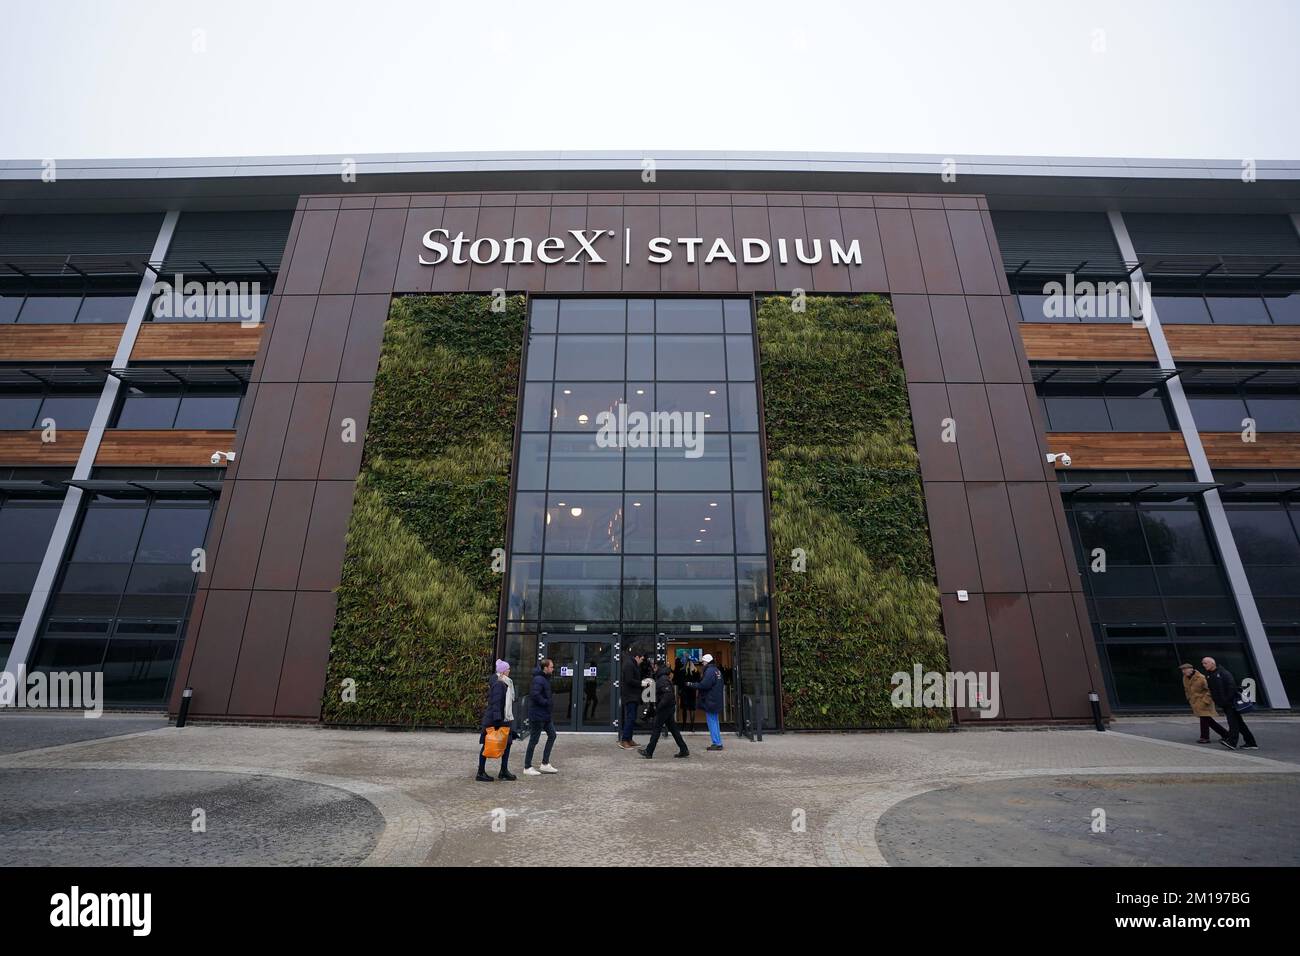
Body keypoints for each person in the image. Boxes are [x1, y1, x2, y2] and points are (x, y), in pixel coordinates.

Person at [1202, 656, 1259, 751]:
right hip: (1224, 703)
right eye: (1203, 663)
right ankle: (1251, 743)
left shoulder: (1223, 673)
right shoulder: (1209, 675)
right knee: (1240, 724)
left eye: (1205, 663)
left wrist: (1226, 700)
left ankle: (1232, 742)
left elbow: (1232, 687)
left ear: (1212, 663)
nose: (1204, 665)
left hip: (1230, 703)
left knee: (1233, 723)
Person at [639, 660, 690, 759]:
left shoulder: (662, 679)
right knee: (674, 730)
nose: (653, 668)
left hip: (664, 709)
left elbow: (668, 695)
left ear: (658, 667)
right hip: (668, 708)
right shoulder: (663, 677)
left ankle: (649, 751)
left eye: (654, 667)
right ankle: (684, 749)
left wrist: (659, 707)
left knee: (656, 729)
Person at [477, 659, 518, 781]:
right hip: (496, 720)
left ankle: (503, 770)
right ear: (503, 671)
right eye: (508, 669)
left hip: (502, 719)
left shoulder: (505, 682)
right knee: (487, 744)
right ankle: (481, 772)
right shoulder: (499, 684)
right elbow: (496, 702)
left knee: (507, 743)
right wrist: (497, 721)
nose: (509, 670)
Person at [524, 658, 559, 776]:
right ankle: (527, 766)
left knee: (552, 735)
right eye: (551, 667)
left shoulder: (544, 679)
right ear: (545, 668)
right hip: (538, 715)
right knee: (534, 740)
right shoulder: (539, 679)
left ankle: (545, 764)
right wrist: (546, 702)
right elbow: (535, 694)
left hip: (545, 715)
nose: (553, 669)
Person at [1179, 663, 1227, 744]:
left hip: (1204, 701)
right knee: (1207, 720)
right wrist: (1189, 698)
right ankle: (1225, 734)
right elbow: (1186, 689)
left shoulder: (1201, 677)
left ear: (1191, 669)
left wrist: (1206, 700)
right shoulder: (1185, 678)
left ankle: (1205, 737)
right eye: (1182, 670)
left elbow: (1210, 689)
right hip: (1195, 702)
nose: (1183, 672)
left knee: (1205, 719)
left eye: (1185, 670)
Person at [688, 652, 725, 751]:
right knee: (715, 721)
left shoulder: (709, 671)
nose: (703, 663)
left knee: (712, 722)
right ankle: (718, 742)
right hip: (716, 700)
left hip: (711, 701)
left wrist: (691, 684)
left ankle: (716, 743)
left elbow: (704, 685)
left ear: (707, 662)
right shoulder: (717, 671)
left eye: (703, 662)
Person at [619, 646, 646, 749]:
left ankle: (629, 739)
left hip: (633, 696)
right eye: (642, 659)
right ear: (637, 657)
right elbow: (629, 680)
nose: (642, 661)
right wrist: (641, 683)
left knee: (632, 718)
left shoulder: (632, 664)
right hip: (630, 696)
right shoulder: (629, 665)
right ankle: (624, 740)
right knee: (630, 718)